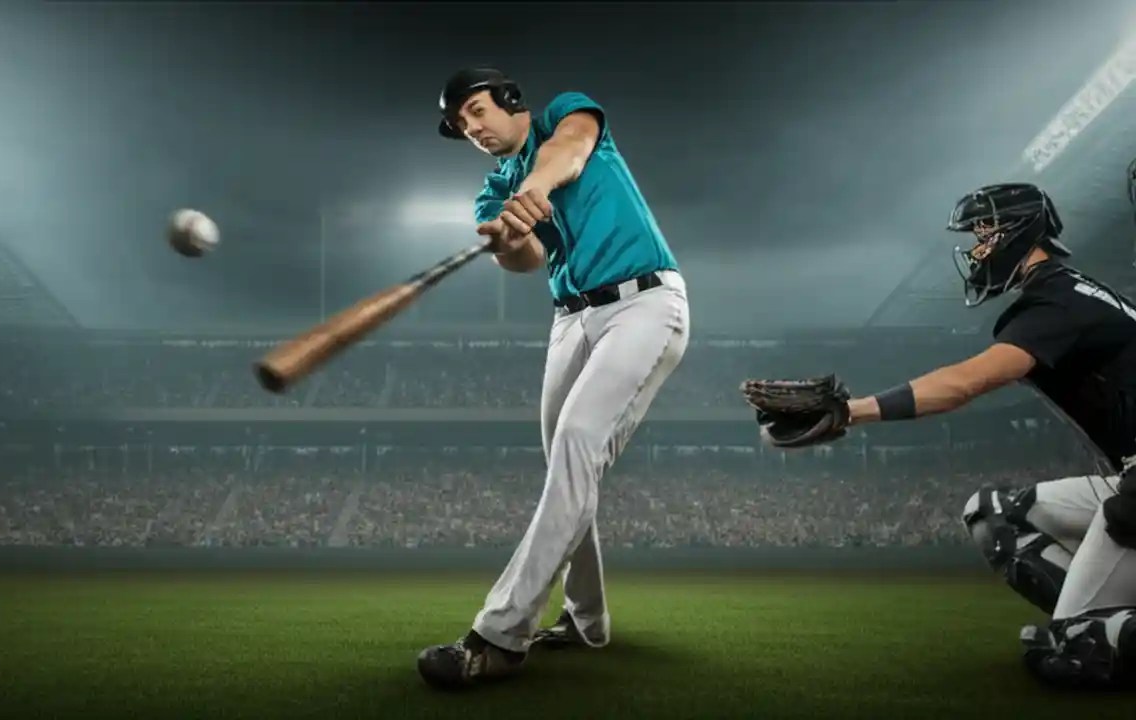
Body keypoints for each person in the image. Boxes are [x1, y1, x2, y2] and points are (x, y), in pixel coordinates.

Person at [750, 182, 1136, 689]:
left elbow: (964, 382)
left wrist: (849, 412)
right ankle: (1095, 623)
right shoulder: (1072, 291)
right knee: (997, 515)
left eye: (983, 232)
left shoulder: (1056, 302)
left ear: (1019, 230)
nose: (977, 247)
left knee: (1071, 655)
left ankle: (1089, 633)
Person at [415, 68, 690, 689]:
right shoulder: (492, 192)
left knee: (575, 446)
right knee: (566, 464)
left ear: (509, 100)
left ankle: (499, 635)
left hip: (643, 302)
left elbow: (571, 149)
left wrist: (535, 188)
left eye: (478, 111)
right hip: (571, 320)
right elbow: (528, 258)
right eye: (461, 125)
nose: (473, 128)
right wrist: (504, 235)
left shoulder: (563, 112)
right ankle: (586, 621)